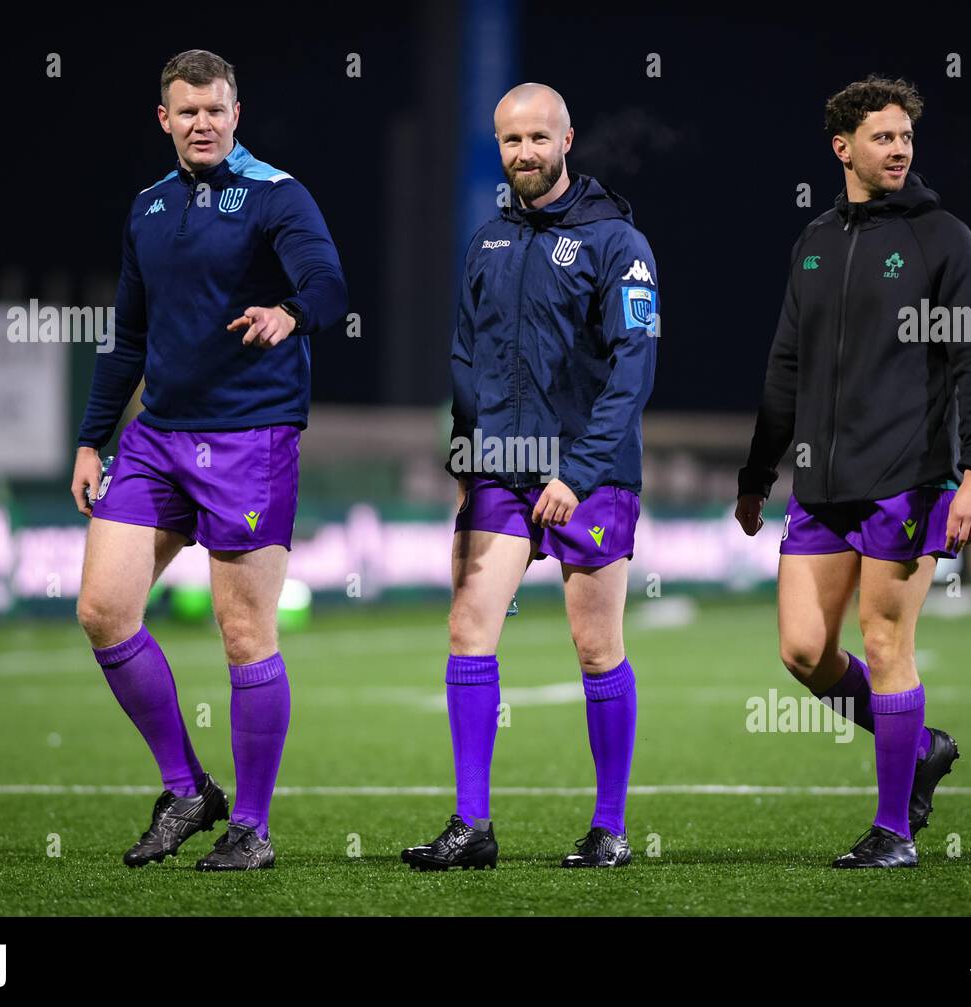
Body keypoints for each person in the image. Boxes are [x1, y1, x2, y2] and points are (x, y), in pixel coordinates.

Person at [71, 49, 346, 871]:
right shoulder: (148, 207)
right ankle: (186, 787)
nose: (201, 123)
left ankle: (252, 828)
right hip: (156, 438)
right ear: (165, 119)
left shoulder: (276, 195)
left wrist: (290, 313)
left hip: (249, 438)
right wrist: (92, 438)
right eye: (186, 111)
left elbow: (330, 285)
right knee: (103, 609)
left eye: (215, 109)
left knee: (243, 631)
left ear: (236, 114)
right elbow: (128, 340)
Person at [735, 75, 971, 868]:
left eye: (906, 137)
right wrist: (757, 472)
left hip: (906, 476)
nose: (899, 149)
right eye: (883, 136)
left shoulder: (943, 236)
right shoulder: (813, 242)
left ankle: (894, 830)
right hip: (820, 487)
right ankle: (919, 746)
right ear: (841, 147)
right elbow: (786, 364)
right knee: (804, 651)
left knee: (886, 643)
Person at [401, 83, 658, 870]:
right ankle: (471, 824)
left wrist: (577, 474)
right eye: (510, 141)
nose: (524, 154)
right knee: (468, 628)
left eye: (538, 139)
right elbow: (465, 361)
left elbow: (633, 370)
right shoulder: (486, 243)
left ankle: (609, 827)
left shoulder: (619, 244)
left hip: (591, 472)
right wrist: (466, 456)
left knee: (594, 646)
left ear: (568, 138)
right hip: (501, 475)